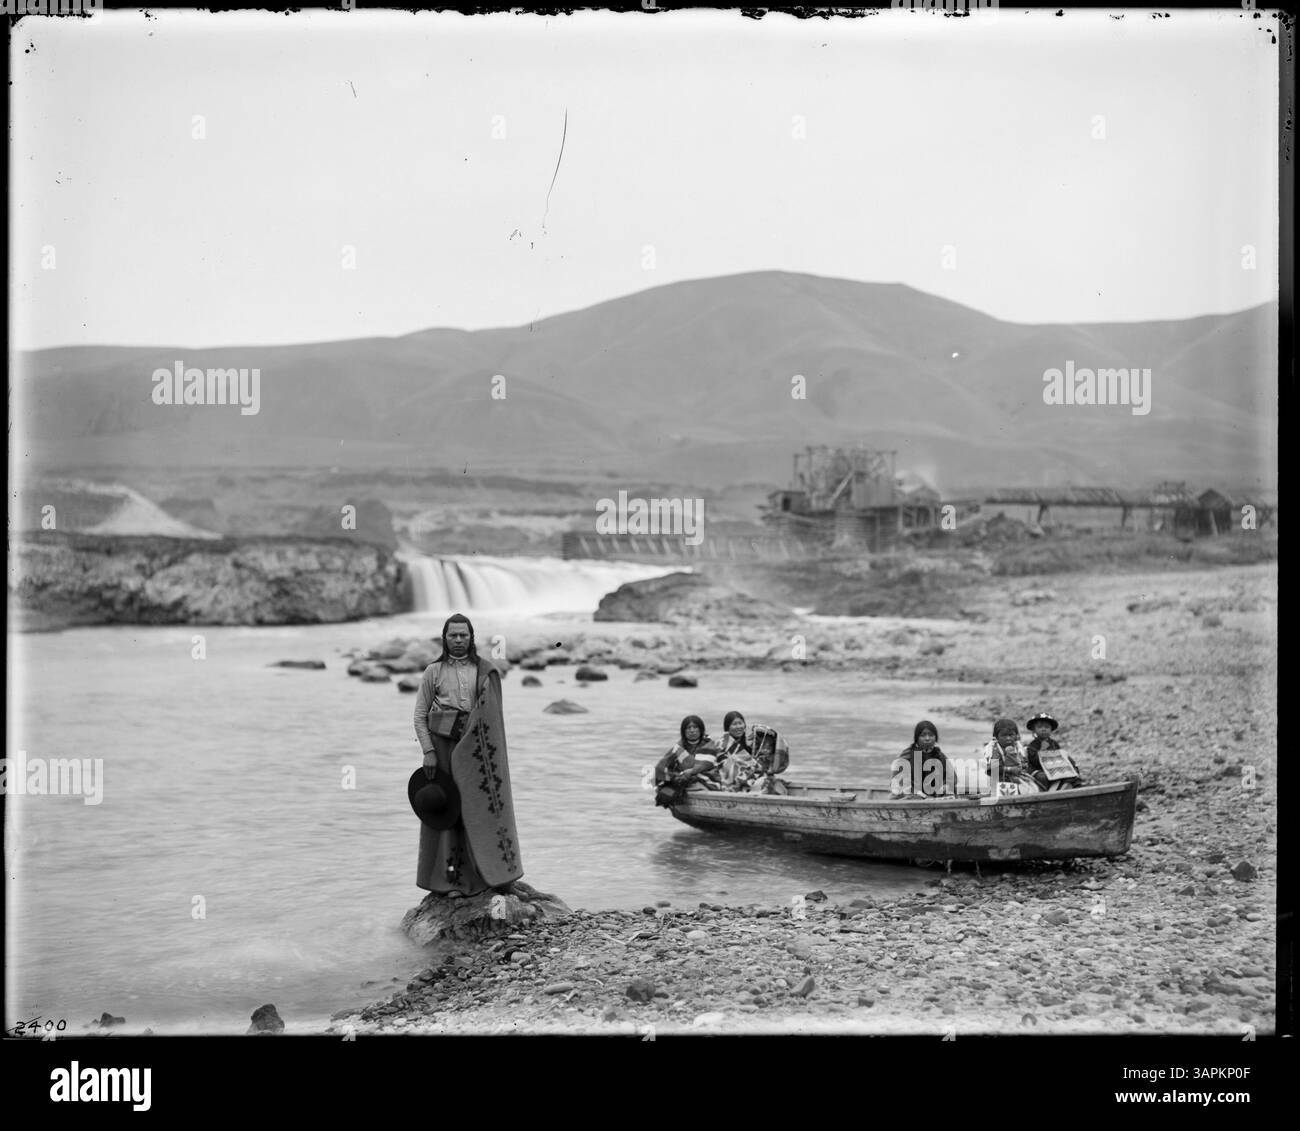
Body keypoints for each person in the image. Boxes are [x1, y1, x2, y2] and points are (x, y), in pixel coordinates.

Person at [412, 613, 522, 896]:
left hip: (477, 749)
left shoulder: (483, 671)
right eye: (453, 635)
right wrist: (428, 751)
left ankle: (491, 875)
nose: (458, 640)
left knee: (480, 808)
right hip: (443, 748)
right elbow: (420, 716)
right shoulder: (432, 673)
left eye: (463, 635)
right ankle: (450, 880)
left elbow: (489, 714)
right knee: (450, 814)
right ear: (444, 638)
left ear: (471, 638)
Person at [891, 720, 957, 798]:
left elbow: (952, 778)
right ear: (917, 738)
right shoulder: (907, 755)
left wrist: (945, 787)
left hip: (933, 796)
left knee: (951, 791)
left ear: (935, 738)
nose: (927, 738)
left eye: (931, 735)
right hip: (910, 794)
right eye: (923, 735)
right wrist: (920, 795)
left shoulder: (939, 755)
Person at [979, 718, 1040, 796]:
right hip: (999, 780)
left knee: (1033, 788)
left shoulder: (1018, 747)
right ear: (996, 737)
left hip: (1017, 777)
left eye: (1011, 735)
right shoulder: (994, 750)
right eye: (1004, 736)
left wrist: (1023, 767)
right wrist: (1010, 769)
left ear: (1016, 736)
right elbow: (993, 769)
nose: (1008, 738)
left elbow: (1024, 762)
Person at [1024, 712, 1084, 791]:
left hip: (1055, 767)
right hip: (1039, 769)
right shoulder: (1032, 745)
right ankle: (1049, 791)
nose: (1043, 729)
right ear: (1034, 730)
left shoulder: (1054, 743)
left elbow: (1061, 756)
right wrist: (1042, 750)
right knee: (1042, 777)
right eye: (1039, 727)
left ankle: (1073, 787)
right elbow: (1034, 762)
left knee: (1070, 772)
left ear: (1051, 730)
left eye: (1047, 727)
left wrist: (1072, 765)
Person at [717, 711, 762, 792]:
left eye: (740, 723)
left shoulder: (749, 744)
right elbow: (725, 770)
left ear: (744, 725)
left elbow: (757, 765)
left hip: (749, 780)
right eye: (734, 724)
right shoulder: (722, 745)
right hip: (729, 784)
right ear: (727, 727)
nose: (738, 727)